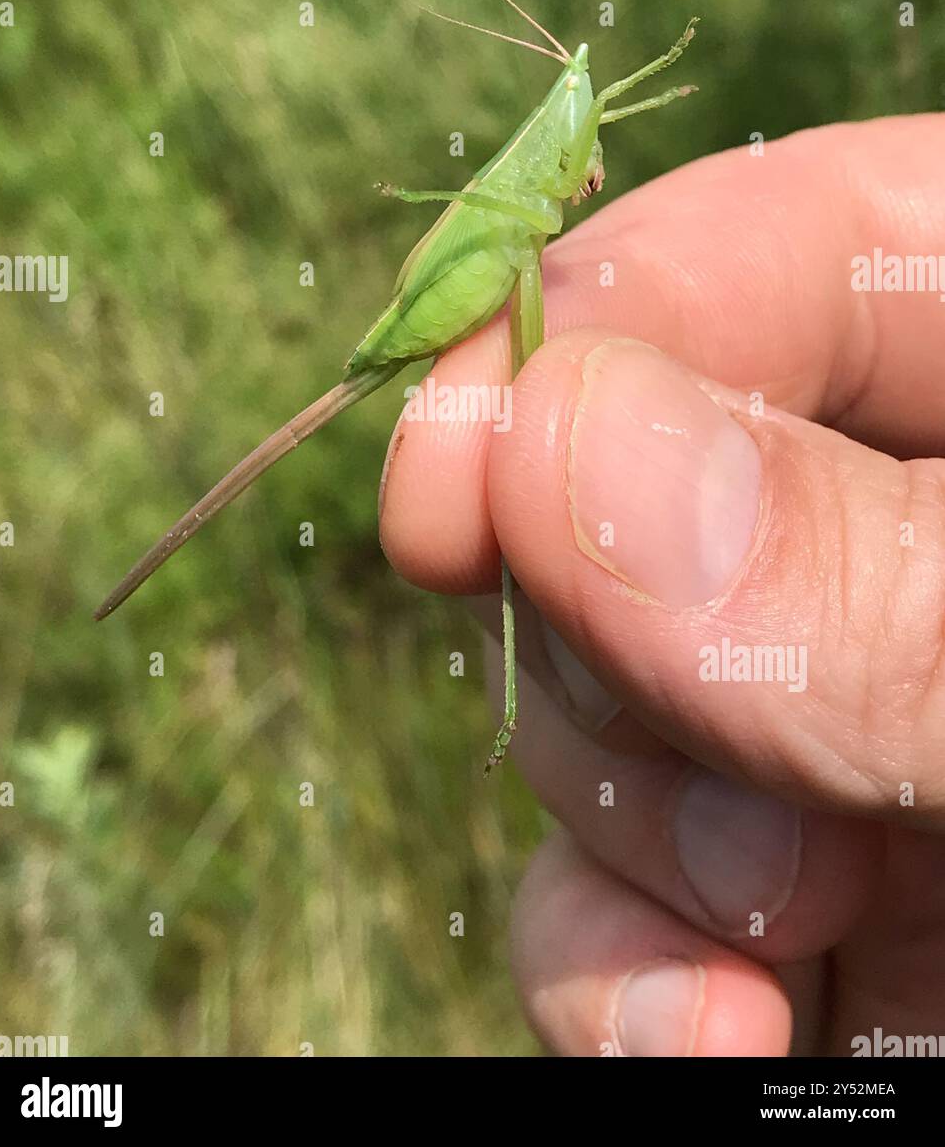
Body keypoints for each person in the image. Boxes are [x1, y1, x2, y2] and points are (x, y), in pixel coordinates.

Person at [379, 114, 945, 1056]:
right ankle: (518, 688)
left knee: (520, 487)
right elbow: (499, 191)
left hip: (519, 273)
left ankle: (521, 690)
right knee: (522, 481)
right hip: (484, 261)